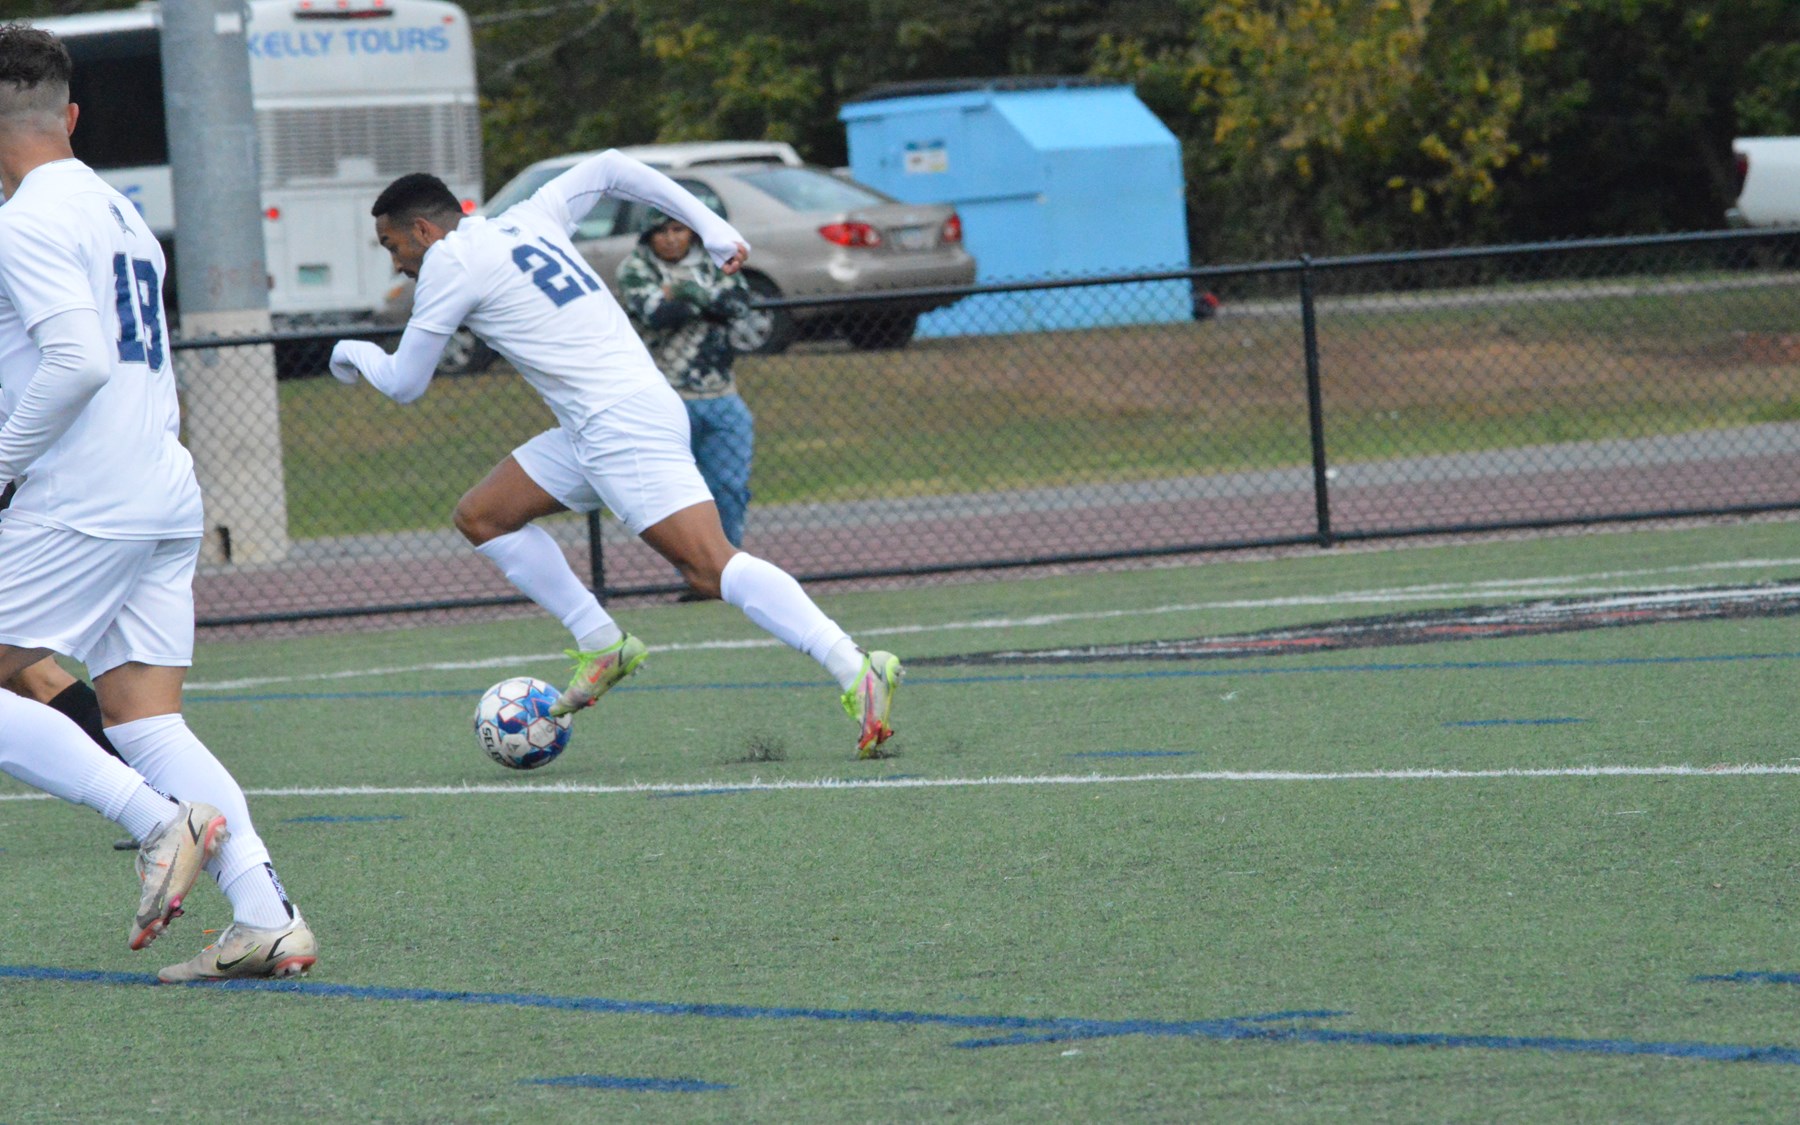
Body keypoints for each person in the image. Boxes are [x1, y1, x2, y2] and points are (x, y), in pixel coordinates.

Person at [329, 153, 904, 756]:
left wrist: (348, 350)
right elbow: (609, 166)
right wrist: (710, 226)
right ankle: (601, 640)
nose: (395, 261)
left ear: (424, 230)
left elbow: (403, 383)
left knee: (709, 566)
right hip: (603, 421)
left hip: (618, 426)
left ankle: (853, 666)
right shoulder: (527, 218)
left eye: (392, 244)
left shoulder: (450, 260)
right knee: (484, 515)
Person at [0, 24, 316, 979]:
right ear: (73, 115)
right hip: (160, 490)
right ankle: (265, 912)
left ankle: (154, 820)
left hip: (81, 496)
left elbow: (79, 361)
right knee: (144, 718)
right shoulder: (122, 211)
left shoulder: (24, 222)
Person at [616, 213, 755, 551]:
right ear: (648, 236)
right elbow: (657, 315)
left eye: (678, 229)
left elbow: (738, 305)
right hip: (666, 401)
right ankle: (695, 567)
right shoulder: (635, 268)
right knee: (678, 497)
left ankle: (728, 562)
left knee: (728, 486)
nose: (671, 239)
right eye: (661, 232)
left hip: (720, 393)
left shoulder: (713, 261)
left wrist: (682, 292)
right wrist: (705, 300)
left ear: (691, 232)